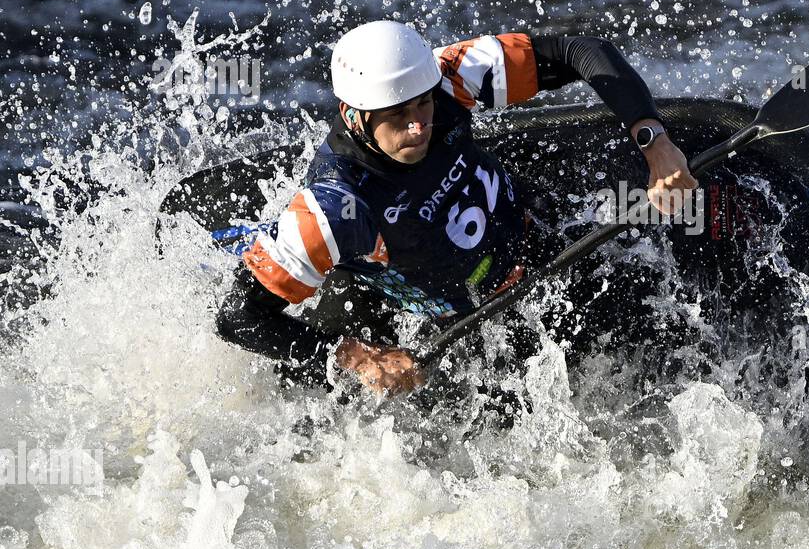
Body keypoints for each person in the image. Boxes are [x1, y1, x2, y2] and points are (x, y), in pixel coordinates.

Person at [216, 21, 697, 399]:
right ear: (354, 118)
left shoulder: (447, 77)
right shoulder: (334, 211)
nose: (418, 126)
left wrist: (654, 142)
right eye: (397, 117)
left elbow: (582, 50)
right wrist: (358, 359)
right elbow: (238, 316)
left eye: (421, 106)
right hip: (466, 331)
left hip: (541, 245)